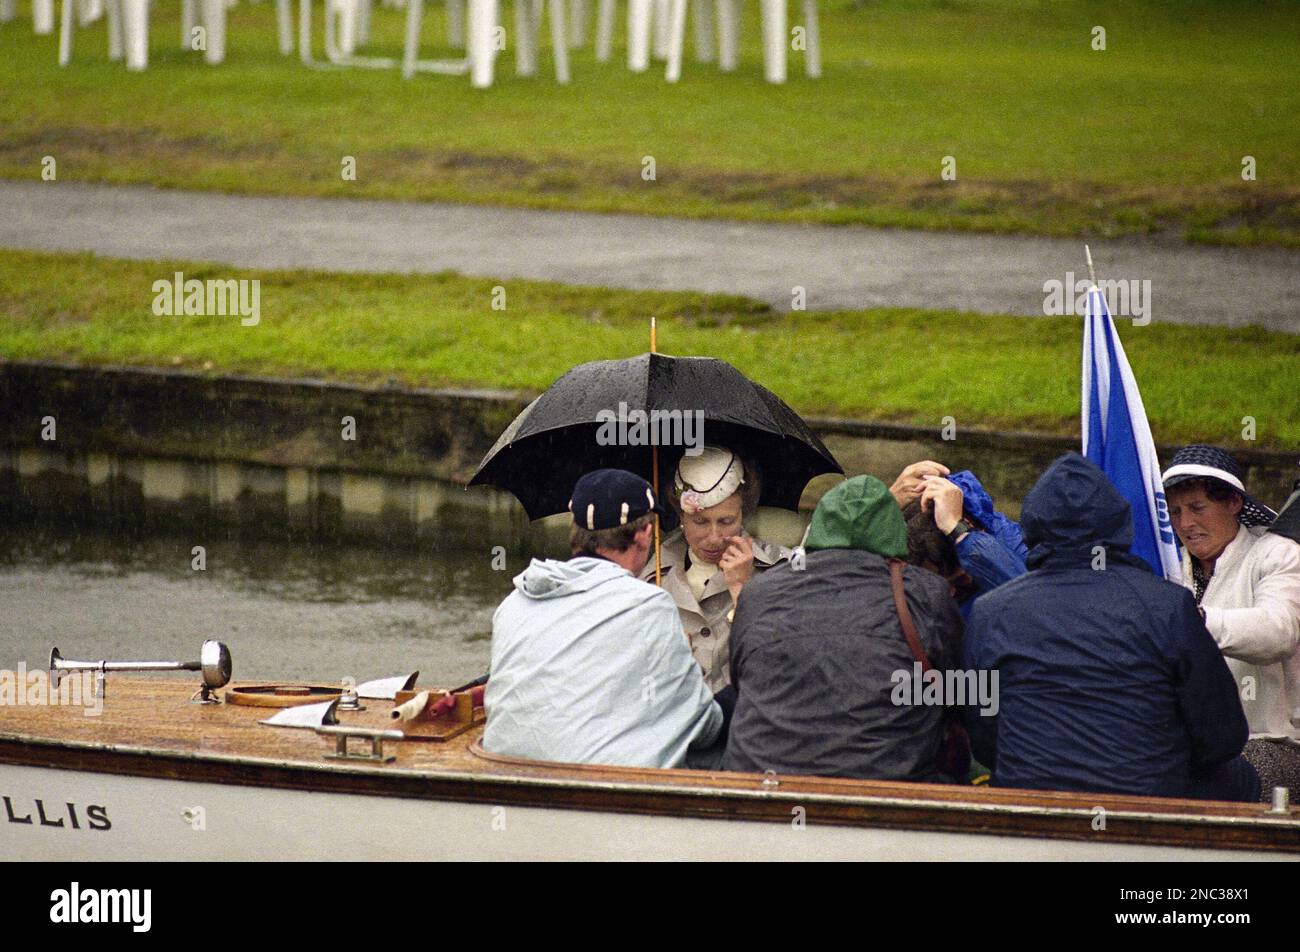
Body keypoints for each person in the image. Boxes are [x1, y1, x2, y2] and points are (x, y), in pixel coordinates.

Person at [964, 453, 1258, 801]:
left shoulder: (990, 610)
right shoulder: (1169, 606)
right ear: (1118, 522)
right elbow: (1221, 736)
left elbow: (983, 735)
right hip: (1145, 800)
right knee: (1241, 778)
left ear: (1032, 524)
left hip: (1030, 796)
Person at [722, 476, 966, 782]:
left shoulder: (760, 590)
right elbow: (958, 694)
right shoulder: (925, 592)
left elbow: (741, 680)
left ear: (821, 526)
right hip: (888, 792)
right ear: (893, 534)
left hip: (761, 787)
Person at [484, 469, 723, 769]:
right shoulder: (649, 605)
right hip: (600, 789)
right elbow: (703, 722)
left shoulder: (514, 602)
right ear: (644, 534)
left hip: (502, 769)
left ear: (576, 529)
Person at [1162, 445, 1300, 799]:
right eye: (1175, 512)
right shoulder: (1170, 567)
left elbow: (1278, 630)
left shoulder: (1277, 554)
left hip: (1270, 743)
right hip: (1184, 746)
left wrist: (1197, 621)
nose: (1185, 524)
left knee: (1220, 785)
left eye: (1197, 508)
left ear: (1234, 503)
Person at [641, 445, 791, 692]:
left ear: (743, 513)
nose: (714, 538)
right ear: (680, 515)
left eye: (726, 521)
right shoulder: (650, 576)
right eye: (700, 522)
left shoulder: (781, 570)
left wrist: (743, 592)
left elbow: (782, 664)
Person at [905, 469, 1028, 617]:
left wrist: (958, 530)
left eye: (960, 581)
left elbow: (1040, 605)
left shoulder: (1026, 550)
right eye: (937, 585)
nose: (950, 593)